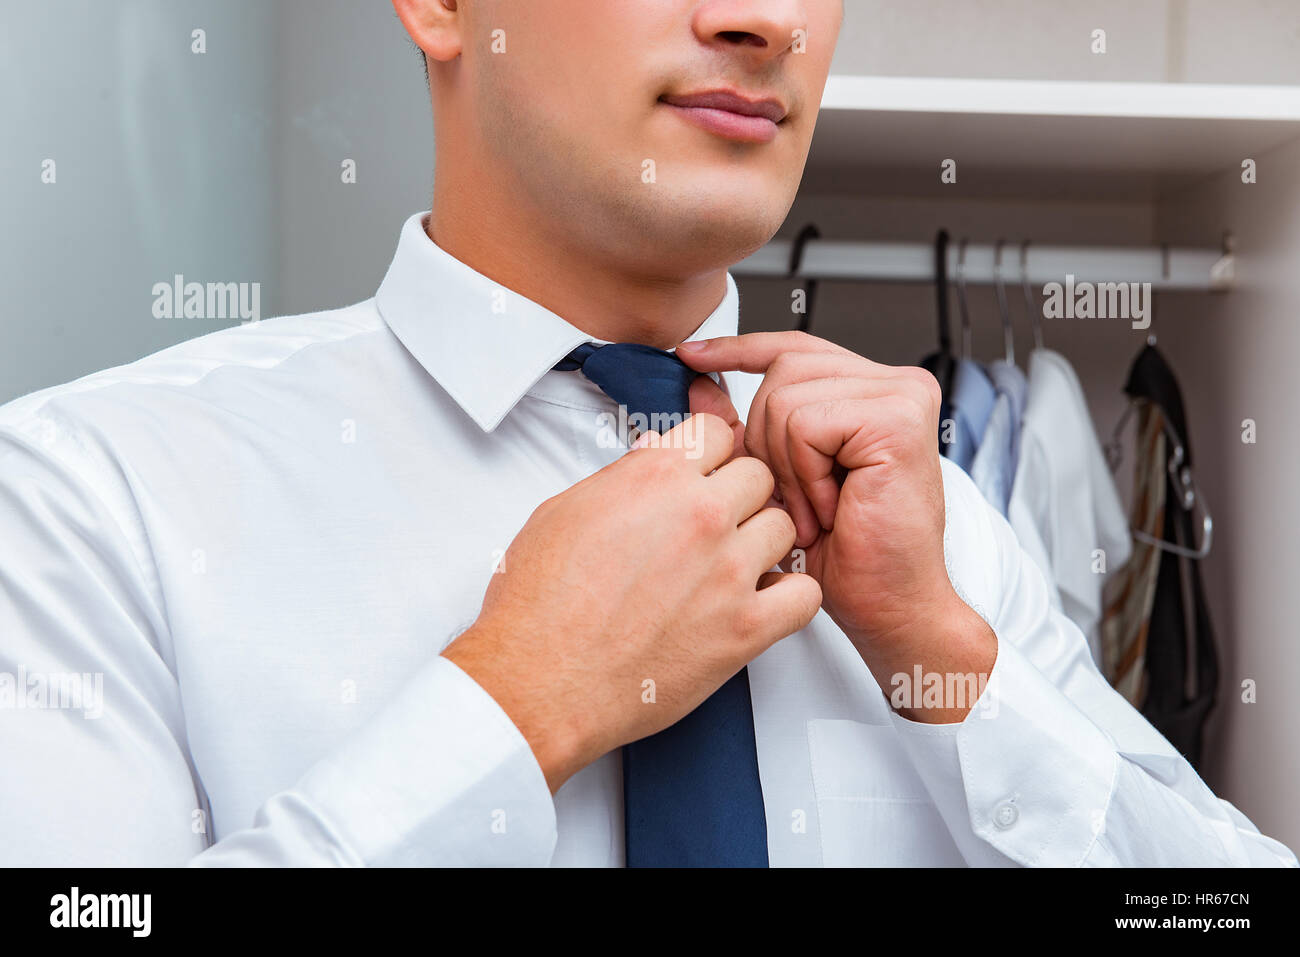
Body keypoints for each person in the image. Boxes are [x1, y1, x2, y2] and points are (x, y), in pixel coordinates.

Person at [0, 0, 1293, 867]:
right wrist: (512, 705)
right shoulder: (85, 499)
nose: (766, 21)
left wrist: (952, 664)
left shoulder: (942, 535)